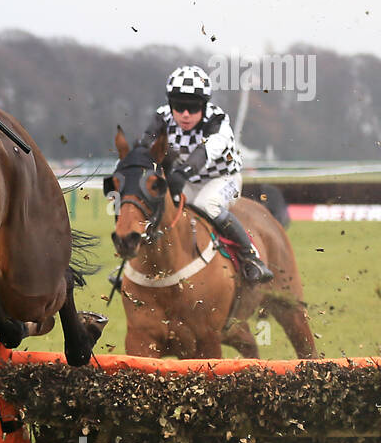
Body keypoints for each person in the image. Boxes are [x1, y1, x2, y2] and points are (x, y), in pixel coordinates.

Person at [110, 65, 274, 287]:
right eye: (179, 107)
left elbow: (205, 151)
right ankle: (134, 265)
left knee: (207, 205)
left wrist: (183, 171)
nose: (185, 114)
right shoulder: (162, 117)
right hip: (185, 179)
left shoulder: (217, 121)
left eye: (193, 108)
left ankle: (250, 256)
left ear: (204, 106)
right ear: (171, 105)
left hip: (221, 179)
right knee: (157, 207)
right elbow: (145, 146)